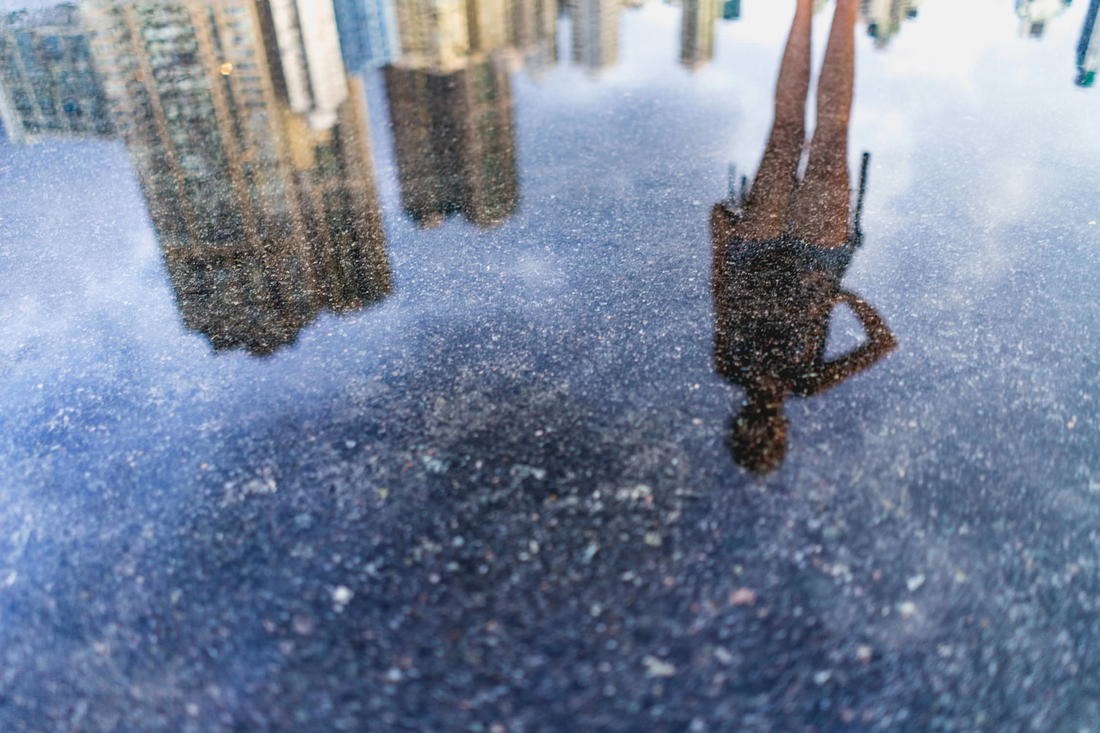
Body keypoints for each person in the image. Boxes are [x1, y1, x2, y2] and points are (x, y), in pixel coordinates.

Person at [711, 0, 896, 473]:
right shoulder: (808, 381)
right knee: (830, 136)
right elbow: (882, 344)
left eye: (754, 437)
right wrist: (844, 297)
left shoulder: (730, 367)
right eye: (771, 439)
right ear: (782, 433)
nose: (765, 428)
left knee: (787, 131)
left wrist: (718, 240)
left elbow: (724, 300)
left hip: (753, 252)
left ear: (738, 426)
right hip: (818, 257)